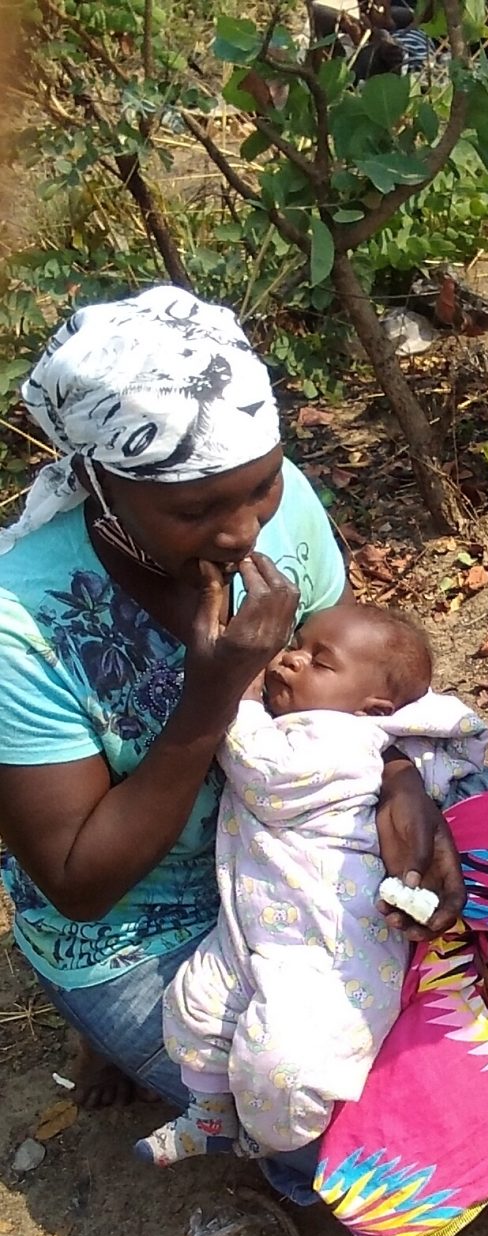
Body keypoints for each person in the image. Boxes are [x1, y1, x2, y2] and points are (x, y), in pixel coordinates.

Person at [0, 288, 461, 1162]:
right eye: (195, 510)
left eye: (261, 486)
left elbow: (354, 679)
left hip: (300, 833)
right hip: (145, 920)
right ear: (102, 480)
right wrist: (213, 696)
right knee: (351, 1149)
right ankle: (97, 1019)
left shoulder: (273, 507)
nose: (245, 526)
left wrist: (399, 784)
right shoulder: (19, 622)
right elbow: (78, 880)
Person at [136, 605, 488, 1166]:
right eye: (297, 643)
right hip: (255, 923)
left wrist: (241, 693)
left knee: (285, 1060)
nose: (290, 659)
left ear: (369, 708)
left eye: (318, 662)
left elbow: (261, 770)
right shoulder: (319, 726)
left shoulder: (338, 741)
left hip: (324, 945)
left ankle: (269, 1134)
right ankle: (209, 1116)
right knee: (197, 1001)